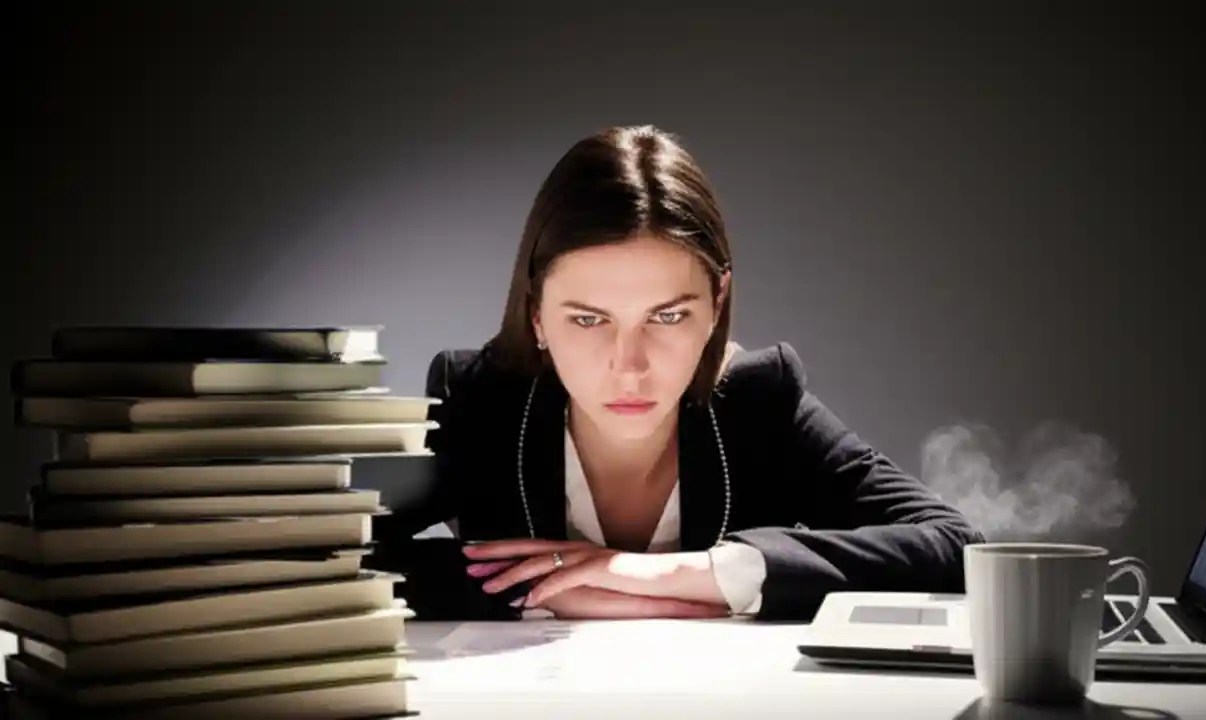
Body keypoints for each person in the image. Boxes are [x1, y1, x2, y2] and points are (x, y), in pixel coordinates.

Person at [369, 125, 985, 622]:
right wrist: (544, 594)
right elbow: (315, 559)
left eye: (667, 316)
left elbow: (955, 546)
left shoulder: (758, 399)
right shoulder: (480, 399)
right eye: (588, 319)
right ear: (536, 315)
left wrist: (676, 574)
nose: (628, 364)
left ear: (717, 304)